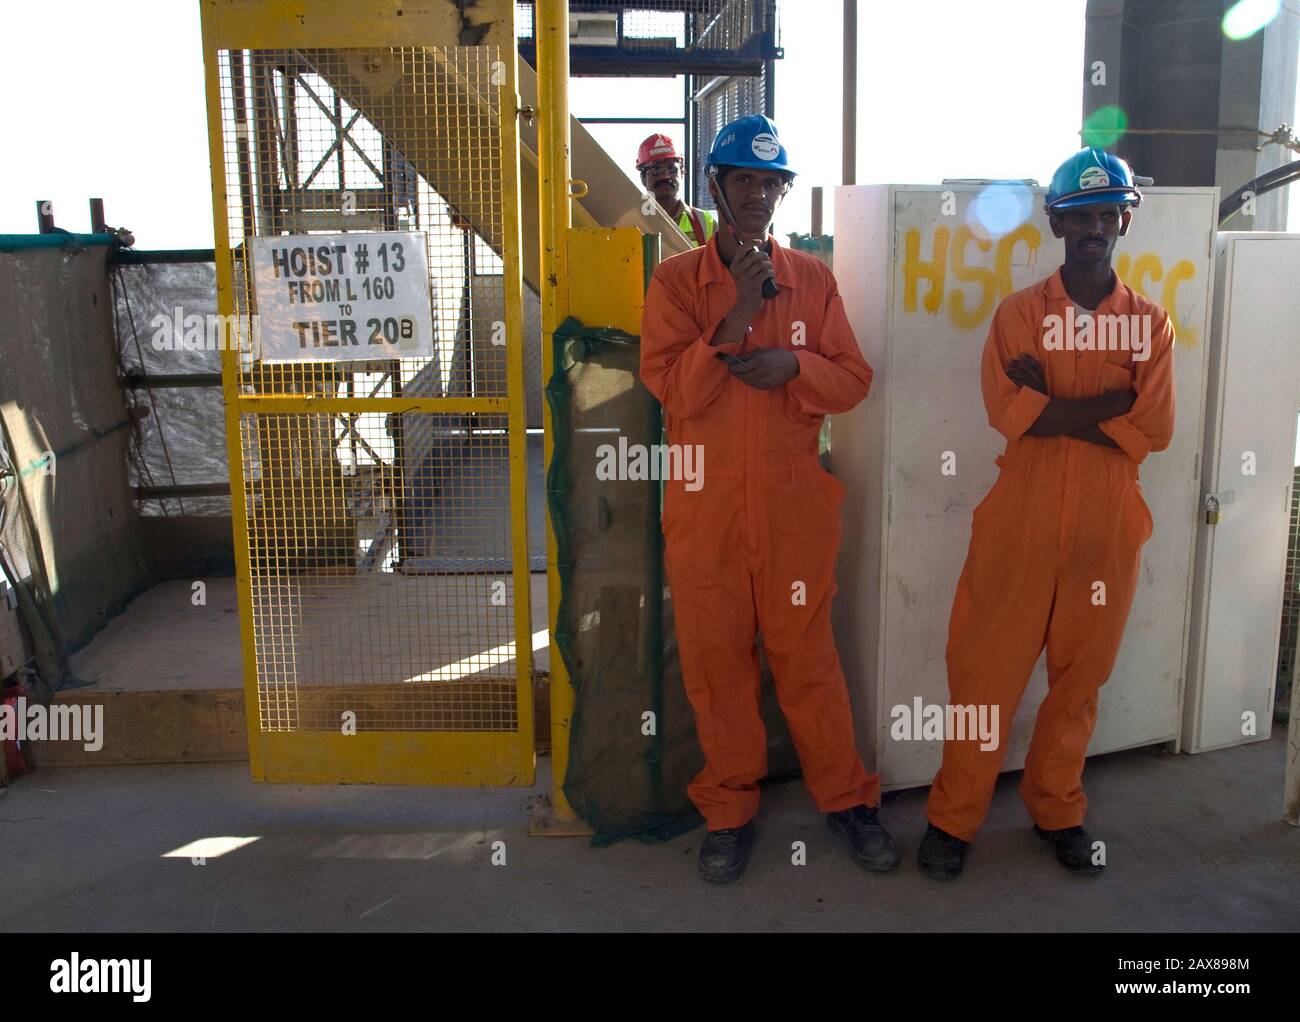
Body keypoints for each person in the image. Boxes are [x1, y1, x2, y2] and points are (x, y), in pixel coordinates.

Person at [639, 114, 898, 884]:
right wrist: (738, 320)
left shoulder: (813, 281)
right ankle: (728, 809)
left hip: (791, 512)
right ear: (715, 188)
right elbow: (668, 389)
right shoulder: (675, 283)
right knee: (716, 666)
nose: (757, 194)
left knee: (807, 659)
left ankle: (848, 800)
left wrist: (794, 365)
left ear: (783, 192)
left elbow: (853, 379)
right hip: (705, 511)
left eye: (770, 182)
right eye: (743, 180)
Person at [918, 147, 1175, 879]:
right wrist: (1107, 403)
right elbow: (1009, 414)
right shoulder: (1018, 315)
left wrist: (1052, 405)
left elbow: (1152, 430)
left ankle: (1058, 809)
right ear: (1058, 225)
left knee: (1079, 681)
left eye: (1105, 214)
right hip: (1019, 524)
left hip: (1106, 528)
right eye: (1079, 216)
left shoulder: (1151, 326)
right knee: (982, 677)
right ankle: (952, 819)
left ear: (1124, 219)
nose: (1093, 227)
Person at [636, 133, 716, 248]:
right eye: (656, 170)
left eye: (672, 168)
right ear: (643, 178)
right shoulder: (631, 223)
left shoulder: (705, 223)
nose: (665, 176)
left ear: (682, 172)